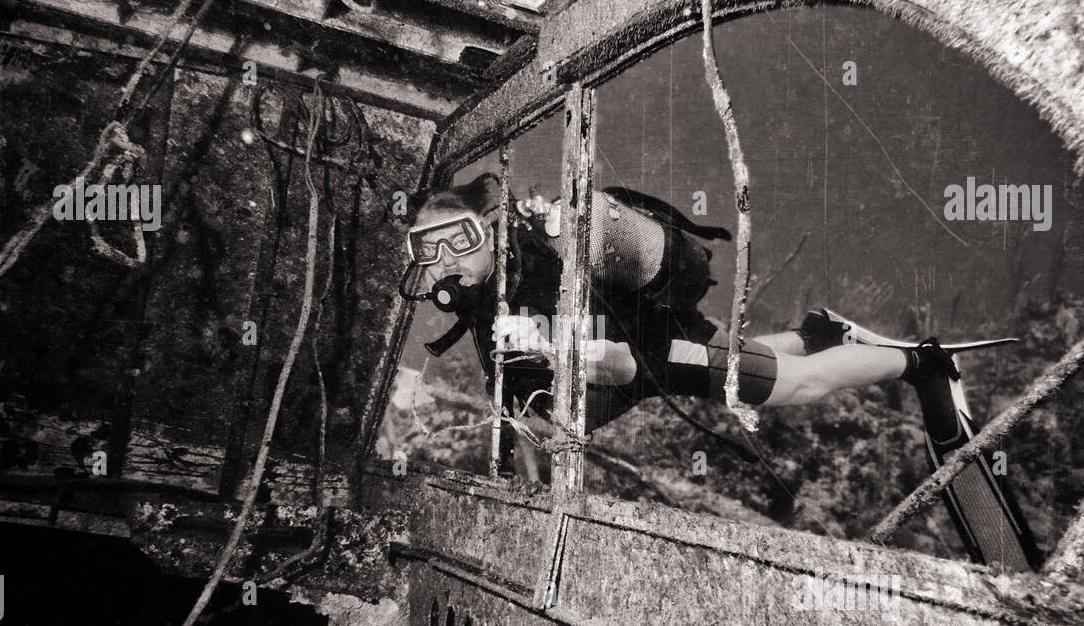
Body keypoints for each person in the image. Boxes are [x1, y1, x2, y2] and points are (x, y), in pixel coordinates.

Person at [397, 172, 958, 433]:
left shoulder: (543, 249)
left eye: (459, 238)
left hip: (657, 350)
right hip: (660, 333)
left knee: (798, 386)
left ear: (488, 229)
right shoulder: (487, 305)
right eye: (429, 248)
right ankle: (819, 333)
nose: (447, 259)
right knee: (747, 356)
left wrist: (557, 350)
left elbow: (619, 365)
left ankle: (925, 362)